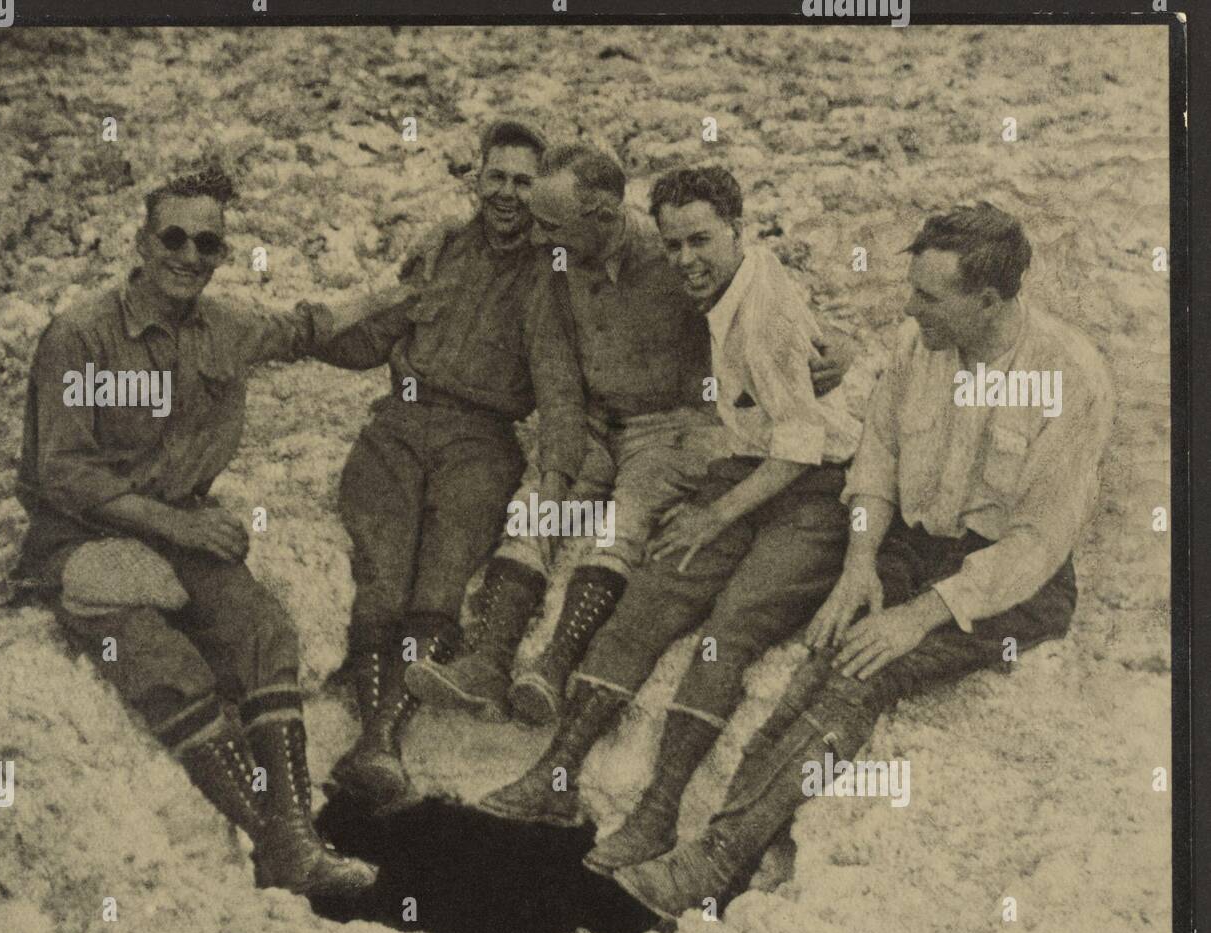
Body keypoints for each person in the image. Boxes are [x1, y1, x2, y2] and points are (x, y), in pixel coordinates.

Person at [612, 201, 1115, 919]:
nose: (910, 310)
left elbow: (1038, 543)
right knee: (818, 659)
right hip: (913, 544)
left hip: (1004, 581)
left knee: (859, 676)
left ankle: (716, 861)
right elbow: (876, 459)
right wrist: (858, 563)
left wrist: (918, 617)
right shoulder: (921, 347)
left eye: (927, 297)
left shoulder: (1072, 377)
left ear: (990, 300)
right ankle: (716, 842)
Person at [473, 166, 863, 857]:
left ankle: (657, 815)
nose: (686, 259)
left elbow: (802, 444)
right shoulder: (716, 284)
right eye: (675, 243)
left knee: (730, 625)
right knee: (652, 593)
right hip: (750, 466)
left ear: (738, 229)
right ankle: (555, 776)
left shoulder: (762, 306)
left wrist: (716, 517)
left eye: (701, 240)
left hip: (818, 489)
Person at [16, 162, 376, 900]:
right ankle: (280, 842)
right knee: (164, 661)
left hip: (180, 533)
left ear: (221, 253)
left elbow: (310, 329)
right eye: (173, 238)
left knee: (263, 631)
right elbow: (66, 475)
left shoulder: (227, 325)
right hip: (82, 539)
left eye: (207, 245)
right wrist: (177, 524)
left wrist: (407, 291)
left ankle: (295, 834)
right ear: (142, 244)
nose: (189, 256)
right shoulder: (79, 334)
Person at [407, 146, 849, 728]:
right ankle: (487, 663)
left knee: (628, 519)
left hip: (677, 426)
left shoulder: (675, 253)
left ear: (604, 215)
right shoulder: (559, 260)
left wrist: (836, 346)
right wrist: (557, 475)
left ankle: (555, 668)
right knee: (534, 512)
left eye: (552, 226)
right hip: (591, 423)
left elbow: (769, 308)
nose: (538, 237)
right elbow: (558, 378)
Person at [311, 120, 587, 812]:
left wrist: (557, 477)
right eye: (496, 177)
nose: (507, 195)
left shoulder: (551, 272)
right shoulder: (440, 250)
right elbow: (375, 334)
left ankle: (382, 739)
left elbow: (556, 386)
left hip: (480, 438)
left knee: (444, 570)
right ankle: (377, 743)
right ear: (477, 180)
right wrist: (295, 334)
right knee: (381, 564)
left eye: (524, 182)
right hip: (398, 422)